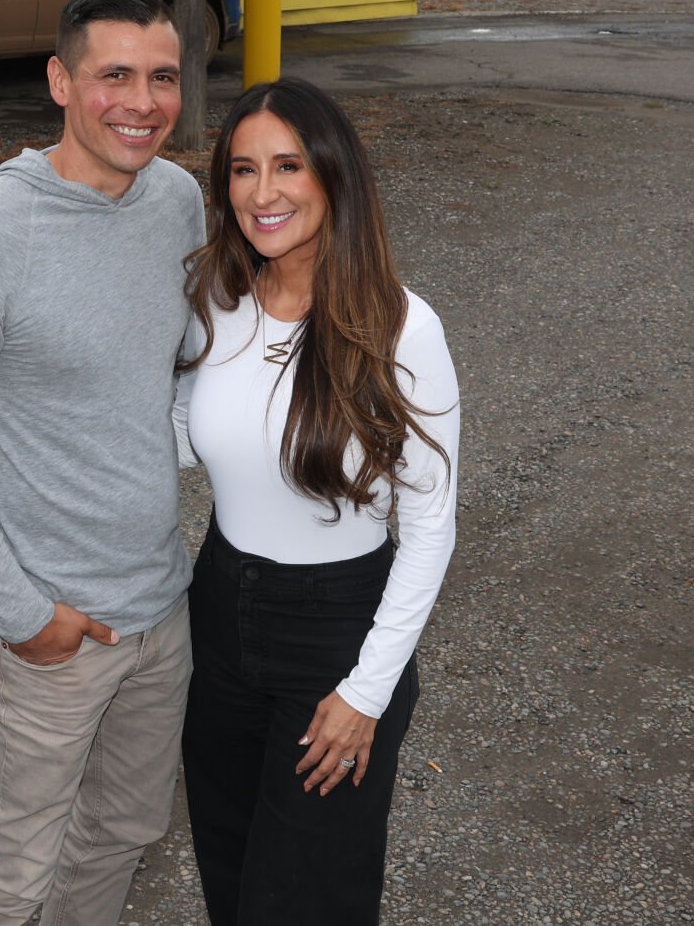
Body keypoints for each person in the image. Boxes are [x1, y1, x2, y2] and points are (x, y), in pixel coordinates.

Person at [0, 0, 203, 926]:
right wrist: (24, 610)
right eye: (113, 74)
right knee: (11, 870)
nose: (140, 101)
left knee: (121, 833)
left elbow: (179, 367)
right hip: (46, 632)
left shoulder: (179, 201)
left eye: (161, 76)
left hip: (161, 608)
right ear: (59, 83)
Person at [173, 78, 460, 925]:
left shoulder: (402, 328)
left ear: (333, 174)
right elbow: (185, 440)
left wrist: (367, 690)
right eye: (241, 169)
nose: (262, 194)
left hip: (337, 630)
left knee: (304, 901)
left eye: (288, 165)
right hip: (218, 613)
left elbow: (430, 526)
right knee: (229, 874)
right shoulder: (213, 305)